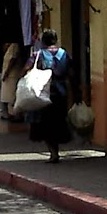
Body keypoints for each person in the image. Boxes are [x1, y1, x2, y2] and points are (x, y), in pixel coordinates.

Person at [28, 29, 76, 162]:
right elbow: (71, 73)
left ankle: (53, 153)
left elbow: (27, 68)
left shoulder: (38, 55)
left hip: (44, 93)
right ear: (56, 40)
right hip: (62, 93)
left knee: (46, 124)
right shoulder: (64, 54)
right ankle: (56, 150)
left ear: (43, 41)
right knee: (59, 121)